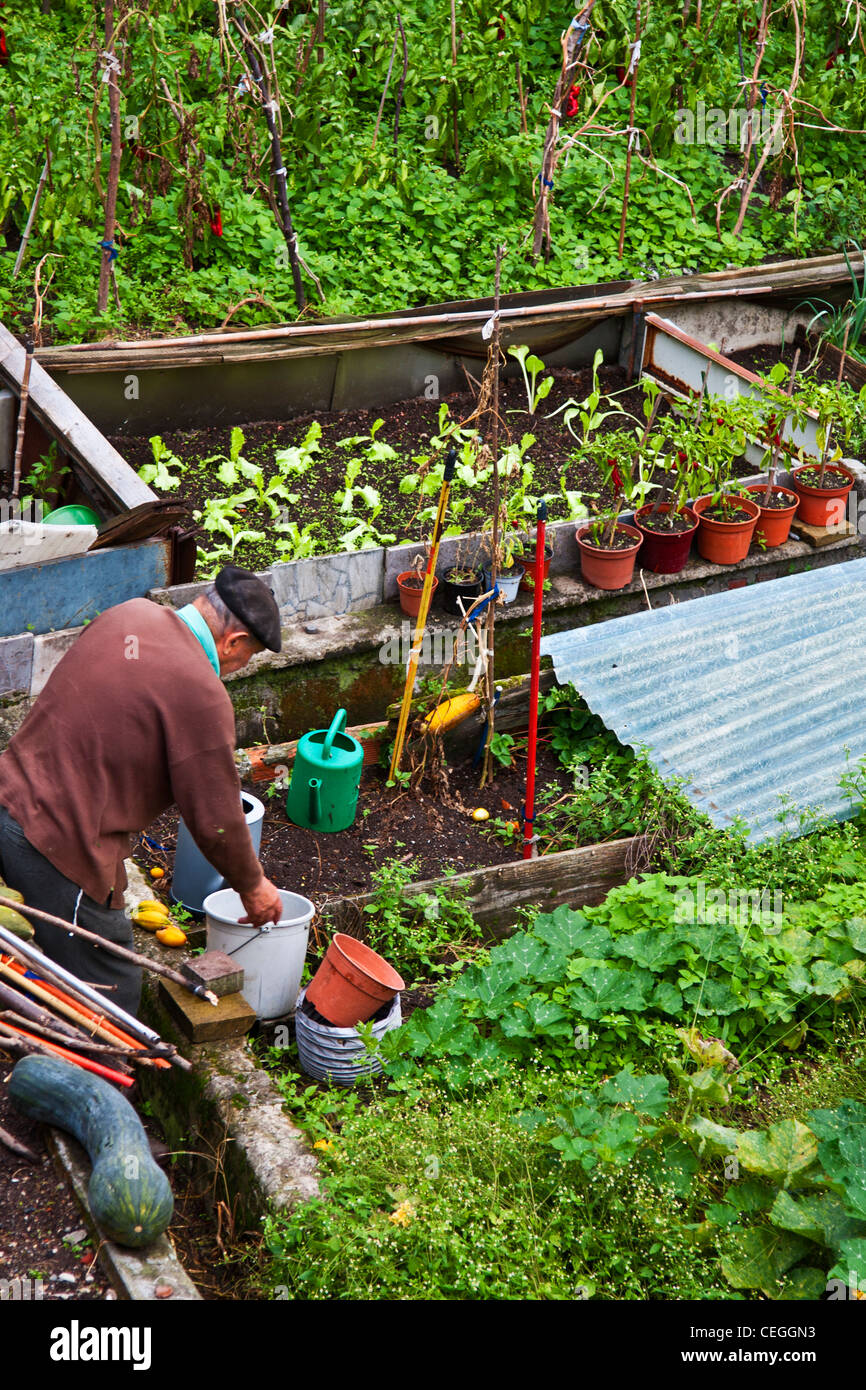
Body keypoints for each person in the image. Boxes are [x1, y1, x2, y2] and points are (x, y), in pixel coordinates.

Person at [0, 565, 285, 1016]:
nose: (237, 669)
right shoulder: (201, 693)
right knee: (109, 990)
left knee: (50, 960)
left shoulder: (130, 615)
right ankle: (93, 1081)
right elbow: (215, 820)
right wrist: (254, 887)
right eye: (248, 657)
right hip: (58, 844)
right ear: (234, 642)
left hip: (9, 792)